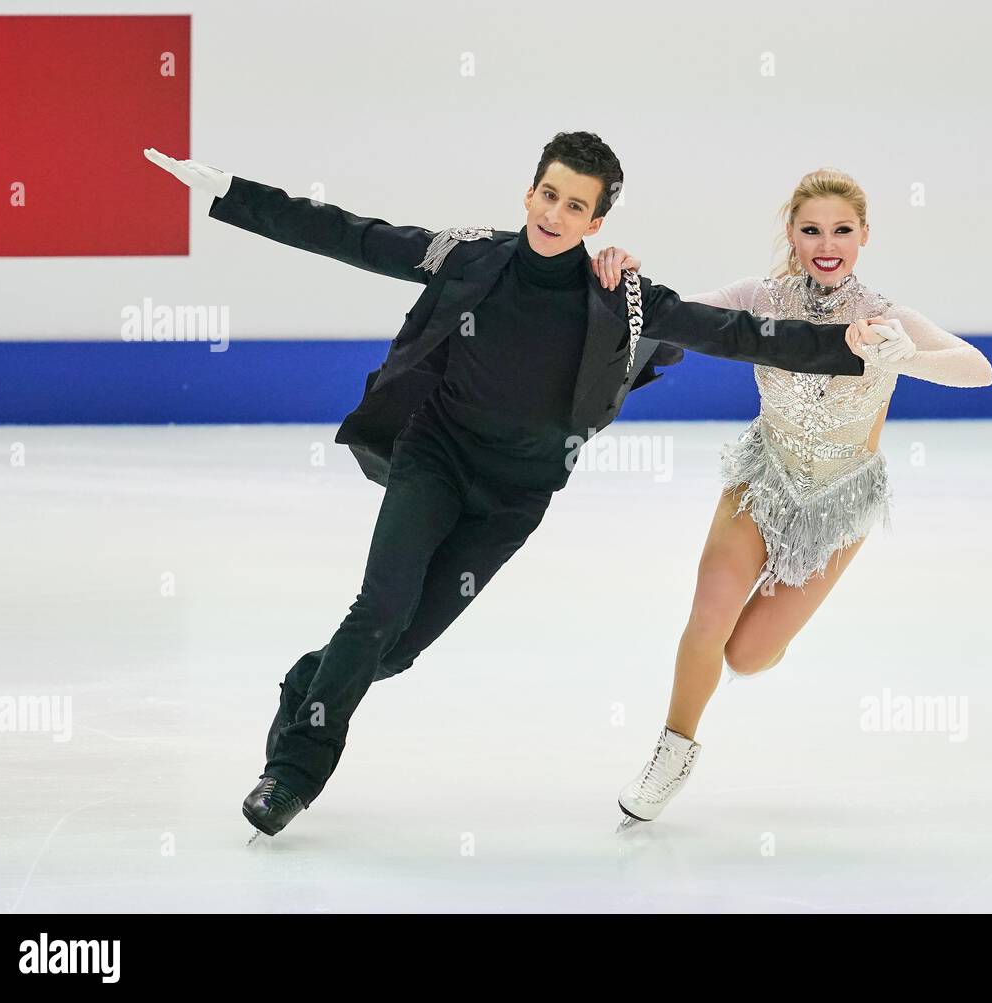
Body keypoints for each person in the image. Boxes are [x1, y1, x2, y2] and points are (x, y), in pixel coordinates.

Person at [144, 135, 884, 837]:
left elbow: (736, 335)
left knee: (396, 649)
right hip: (433, 456)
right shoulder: (469, 256)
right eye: (548, 194)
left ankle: (308, 684)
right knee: (378, 610)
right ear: (529, 191)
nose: (554, 215)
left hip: (515, 495)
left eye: (574, 206)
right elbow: (353, 235)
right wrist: (231, 195)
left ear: (597, 220)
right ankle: (291, 778)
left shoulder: (619, 297)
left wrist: (849, 348)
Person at [589, 168, 992, 825]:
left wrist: (902, 356)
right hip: (762, 482)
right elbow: (668, 316)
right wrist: (625, 275)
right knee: (708, 614)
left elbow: (979, 370)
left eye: (841, 230)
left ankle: (767, 631)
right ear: (792, 234)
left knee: (746, 654)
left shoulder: (887, 318)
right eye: (811, 230)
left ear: (864, 235)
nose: (826, 242)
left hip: (839, 506)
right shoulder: (762, 298)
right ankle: (673, 748)